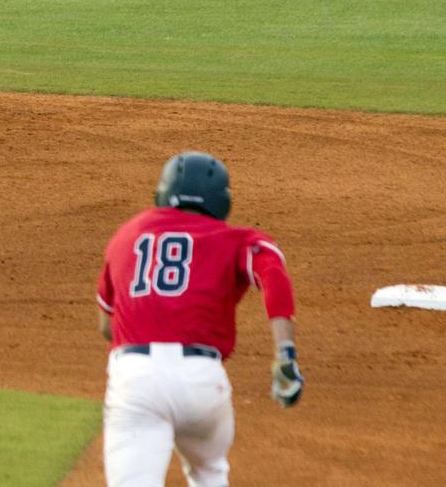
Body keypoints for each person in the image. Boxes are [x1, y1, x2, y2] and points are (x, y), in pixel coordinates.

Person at [95, 151, 304, 486]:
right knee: (209, 471)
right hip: (202, 380)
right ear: (222, 202)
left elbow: (107, 325)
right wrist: (285, 354)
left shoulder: (126, 236)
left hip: (136, 380)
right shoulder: (236, 240)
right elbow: (273, 272)